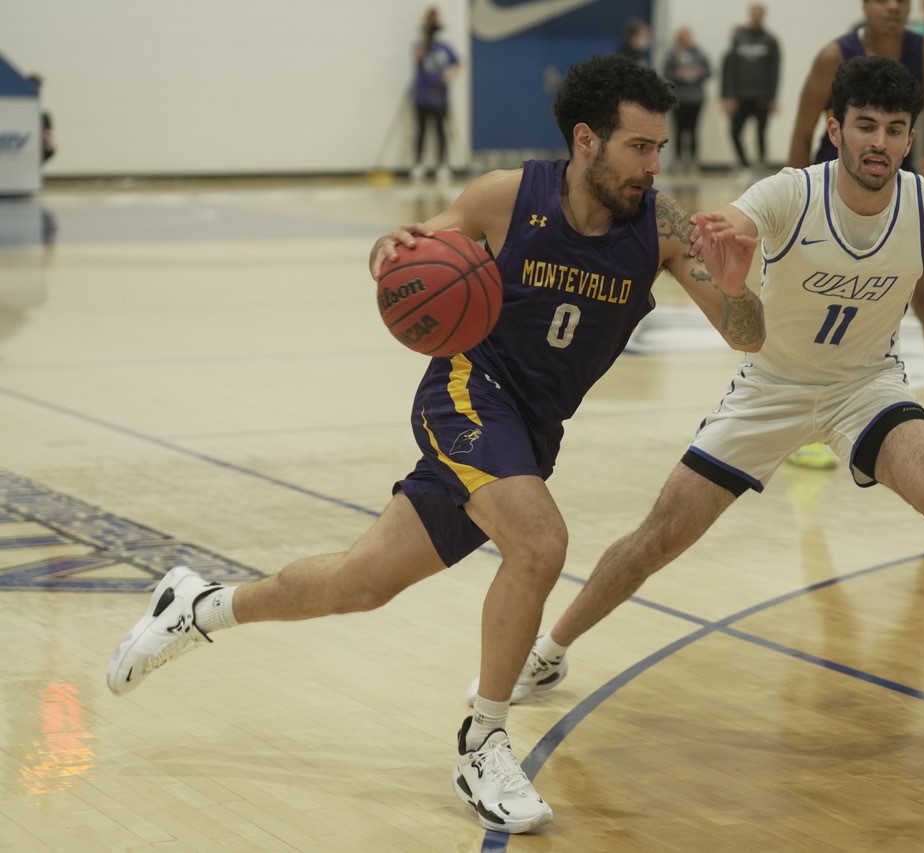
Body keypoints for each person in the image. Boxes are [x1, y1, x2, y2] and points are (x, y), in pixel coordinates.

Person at [104, 55, 765, 835]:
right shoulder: (508, 197)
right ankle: (483, 739)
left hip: (531, 432)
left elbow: (745, 336)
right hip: (464, 394)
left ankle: (198, 606)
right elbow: (408, 252)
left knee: (360, 582)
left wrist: (738, 283)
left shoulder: (663, 226)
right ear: (586, 140)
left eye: (661, 147)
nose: (654, 166)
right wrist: (386, 248)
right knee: (541, 543)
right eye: (639, 147)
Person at [482, 55, 924, 733]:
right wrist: (723, 252)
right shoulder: (792, 193)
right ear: (834, 129)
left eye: (894, 129)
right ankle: (548, 651)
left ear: (911, 140)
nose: (878, 141)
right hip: (772, 386)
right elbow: (726, 225)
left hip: (864, 386)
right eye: (865, 125)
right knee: (657, 538)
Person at [784, 0, 924, 468]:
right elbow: (800, 131)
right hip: (830, 194)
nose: (893, 6)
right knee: (810, 305)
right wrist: (792, 202)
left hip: (896, 190)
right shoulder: (833, 57)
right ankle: (808, 423)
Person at [721, 4, 782, 172]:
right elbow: (730, 68)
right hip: (741, 96)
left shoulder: (770, 40)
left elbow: (775, 70)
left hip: (762, 96)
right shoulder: (739, 38)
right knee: (734, 131)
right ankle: (744, 165)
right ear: (749, 15)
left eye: (759, 15)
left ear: (763, 16)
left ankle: (761, 163)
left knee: (761, 133)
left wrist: (772, 97)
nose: (756, 17)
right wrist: (728, 96)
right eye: (753, 14)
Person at [410, 6, 462, 181]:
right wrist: (426, 37)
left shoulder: (445, 48)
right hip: (422, 96)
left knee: (441, 132)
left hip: (440, 97)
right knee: (421, 131)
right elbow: (417, 58)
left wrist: (451, 75)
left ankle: (442, 165)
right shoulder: (420, 45)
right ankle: (418, 164)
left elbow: (458, 63)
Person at [663, 26, 713, 173]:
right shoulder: (673, 54)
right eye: (684, 37)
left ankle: (693, 160)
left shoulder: (699, 53)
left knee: (693, 130)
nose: (687, 40)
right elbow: (666, 71)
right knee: (679, 130)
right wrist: (678, 74)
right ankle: (678, 160)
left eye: (689, 36)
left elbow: (709, 71)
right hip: (679, 98)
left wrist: (699, 72)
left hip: (696, 98)